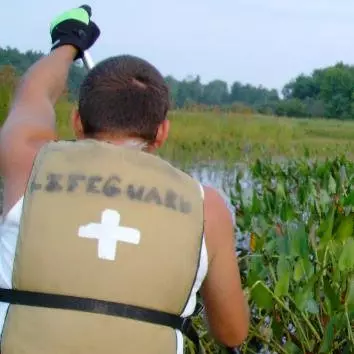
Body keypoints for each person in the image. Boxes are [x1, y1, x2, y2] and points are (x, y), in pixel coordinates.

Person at [0, 5, 249, 354]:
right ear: (161, 133)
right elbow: (232, 334)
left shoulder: (29, 161)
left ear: (76, 121)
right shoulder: (207, 207)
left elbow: (33, 93)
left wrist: (68, 41)